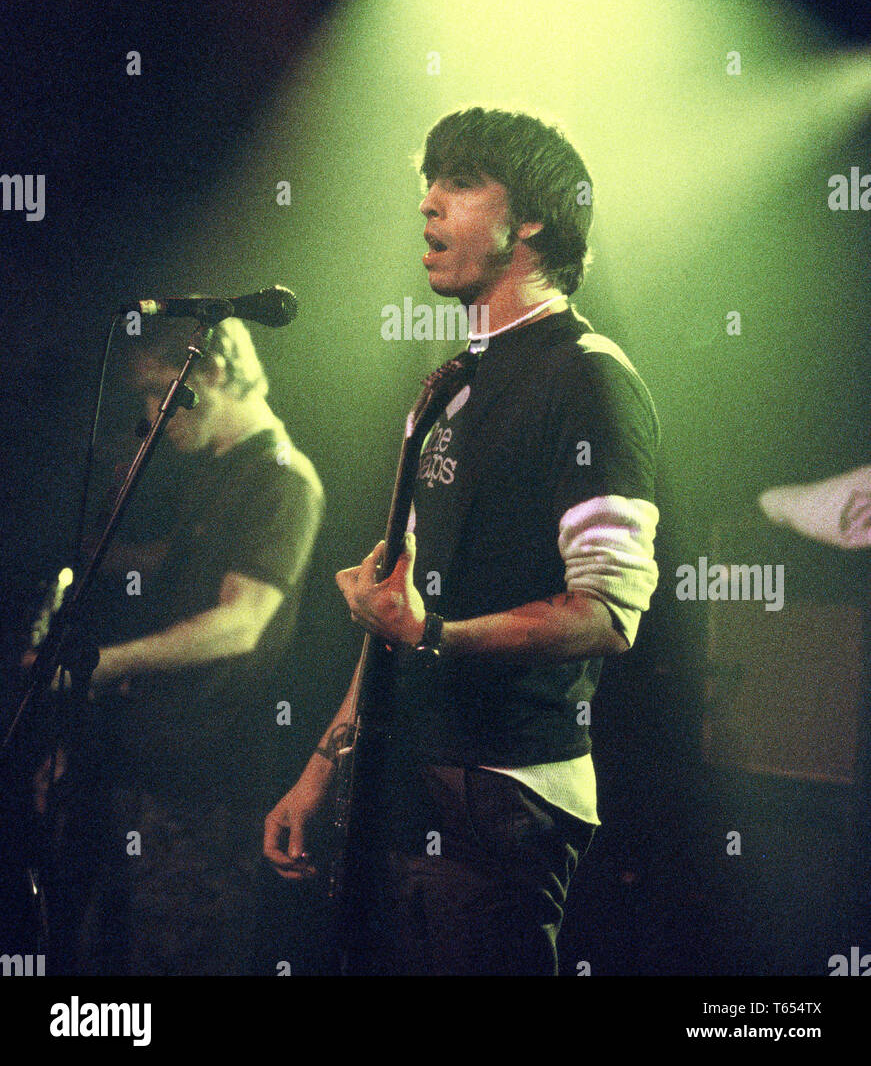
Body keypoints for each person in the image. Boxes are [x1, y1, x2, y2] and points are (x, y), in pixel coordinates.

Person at [264, 107, 660, 975]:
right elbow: (393, 613)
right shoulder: (445, 386)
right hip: (405, 776)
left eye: (460, 184)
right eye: (427, 184)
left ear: (530, 220)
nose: (428, 205)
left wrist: (436, 635)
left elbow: (607, 613)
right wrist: (321, 767)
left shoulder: (587, 375)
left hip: (506, 794)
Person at [76, 317, 324, 975]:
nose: (154, 414)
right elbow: (190, 571)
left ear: (211, 372)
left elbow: (240, 621)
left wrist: (102, 665)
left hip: (208, 784)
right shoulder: (217, 472)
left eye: (163, 392)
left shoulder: (283, 478)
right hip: (152, 768)